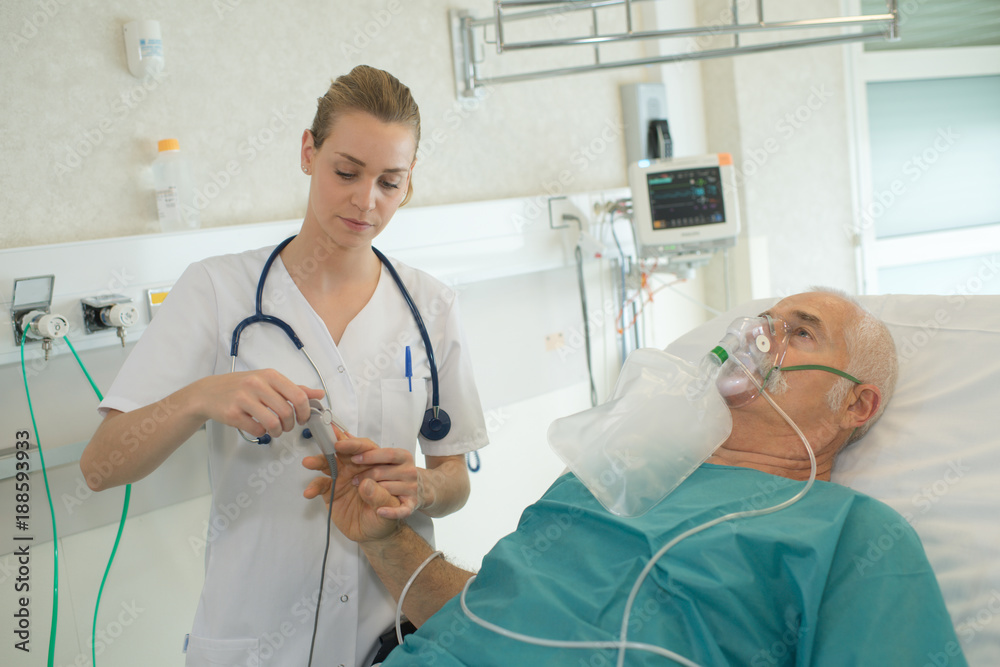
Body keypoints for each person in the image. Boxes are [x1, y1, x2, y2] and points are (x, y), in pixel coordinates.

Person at [304, 289, 968, 666]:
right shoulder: (617, 470)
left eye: (801, 332)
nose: (762, 337)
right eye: (763, 322)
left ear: (856, 404)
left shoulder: (850, 535)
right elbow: (496, 614)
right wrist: (386, 541)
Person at [80, 65, 488, 667]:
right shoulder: (218, 290)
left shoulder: (431, 306)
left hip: (394, 640)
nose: (365, 200)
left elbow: (455, 478)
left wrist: (421, 486)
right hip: (257, 638)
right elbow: (99, 465)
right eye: (346, 171)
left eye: (389, 183)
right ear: (308, 151)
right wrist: (199, 397)